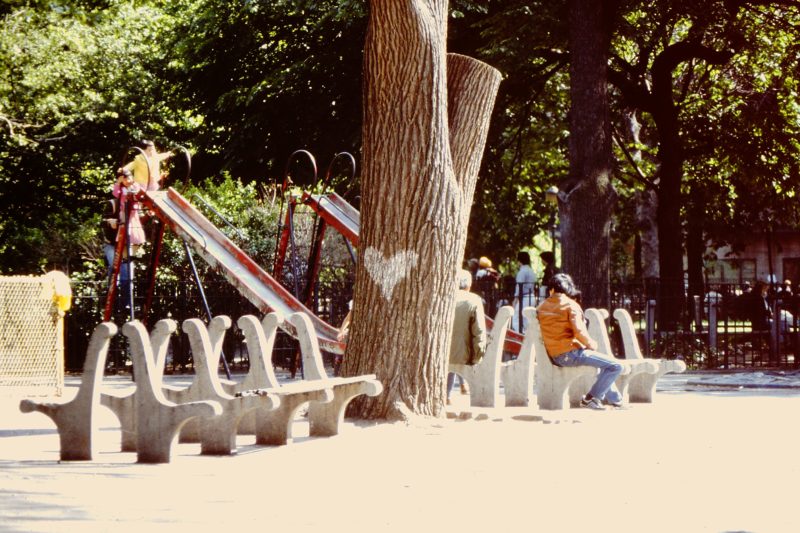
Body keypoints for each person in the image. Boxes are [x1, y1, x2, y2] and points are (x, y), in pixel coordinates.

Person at [536, 273, 623, 410]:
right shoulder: (571, 305)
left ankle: (616, 401)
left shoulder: (541, 307)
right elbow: (579, 331)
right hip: (570, 354)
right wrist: (591, 344)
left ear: (551, 290)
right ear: (569, 289)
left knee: (602, 363)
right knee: (615, 366)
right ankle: (590, 399)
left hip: (554, 355)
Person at [447, 269, 487, 405]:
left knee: (454, 349)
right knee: (460, 348)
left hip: (443, 354)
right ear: (469, 285)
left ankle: (447, 395)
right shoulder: (474, 300)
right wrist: (478, 356)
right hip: (464, 356)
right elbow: (479, 331)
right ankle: (458, 388)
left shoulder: (443, 297)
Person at [512, 250, 537, 331]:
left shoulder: (522, 272)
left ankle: (519, 334)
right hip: (532, 296)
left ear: (519, 261)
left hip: (524, 297)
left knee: (516, 318)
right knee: (527, 319)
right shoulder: (531, 271)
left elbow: (519, 286)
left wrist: (515, 299)